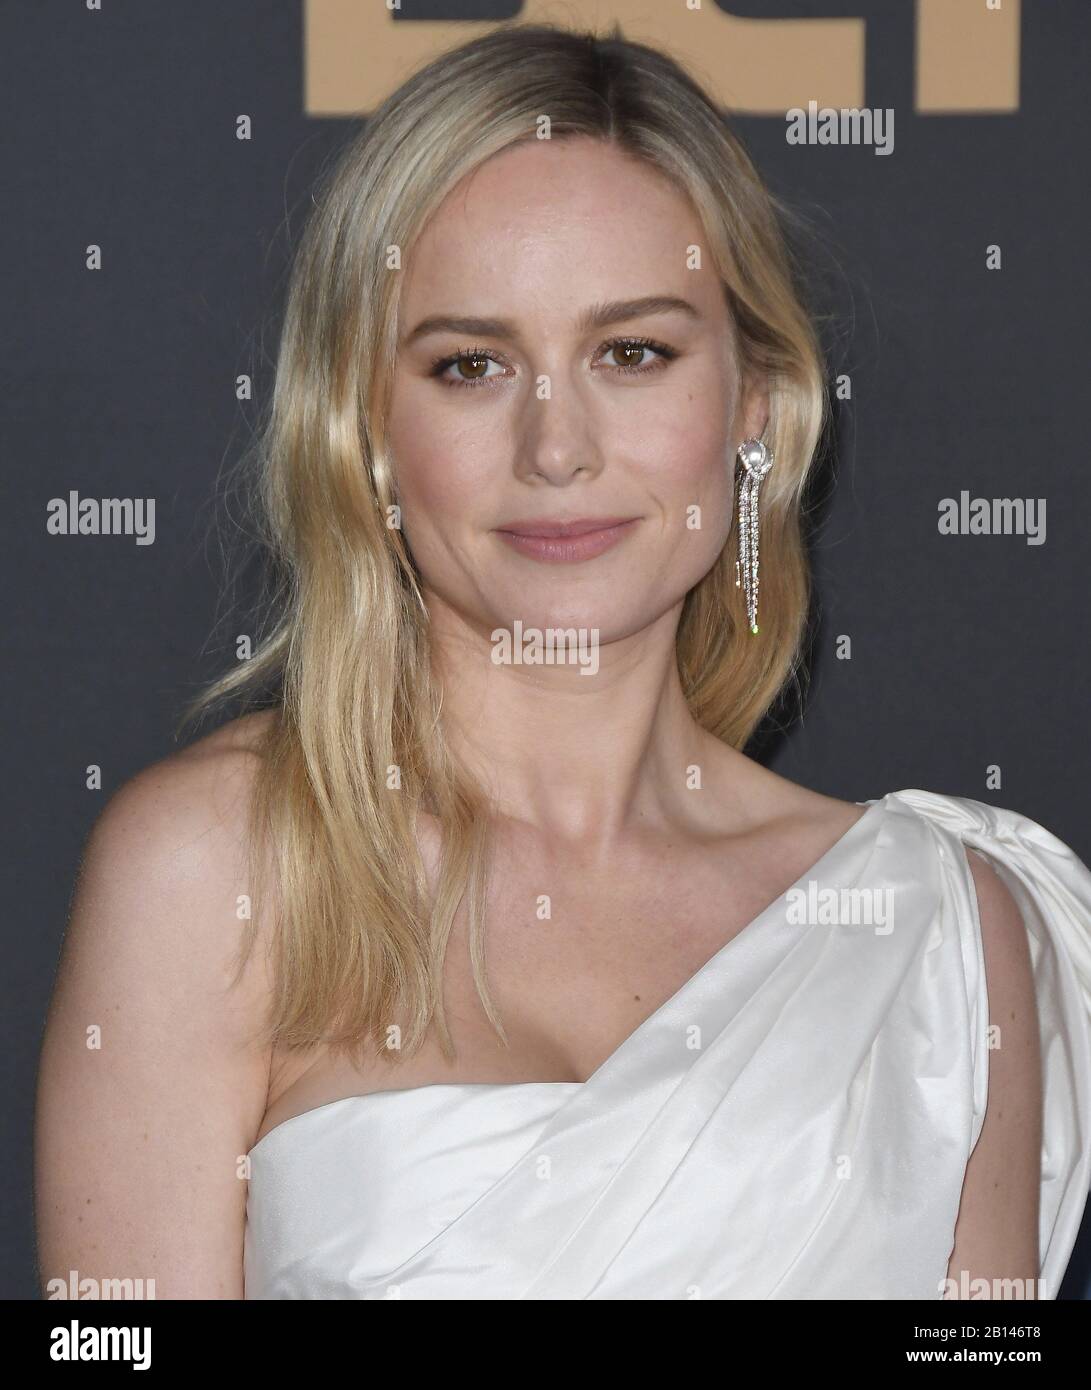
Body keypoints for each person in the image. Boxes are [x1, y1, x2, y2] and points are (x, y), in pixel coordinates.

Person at [34, 23, 1091, 1301]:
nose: (555, 448)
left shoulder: (940, 935)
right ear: (368, 431)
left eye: (632, 352)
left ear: (754, 403)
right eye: (470, 365)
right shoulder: (218, 870)